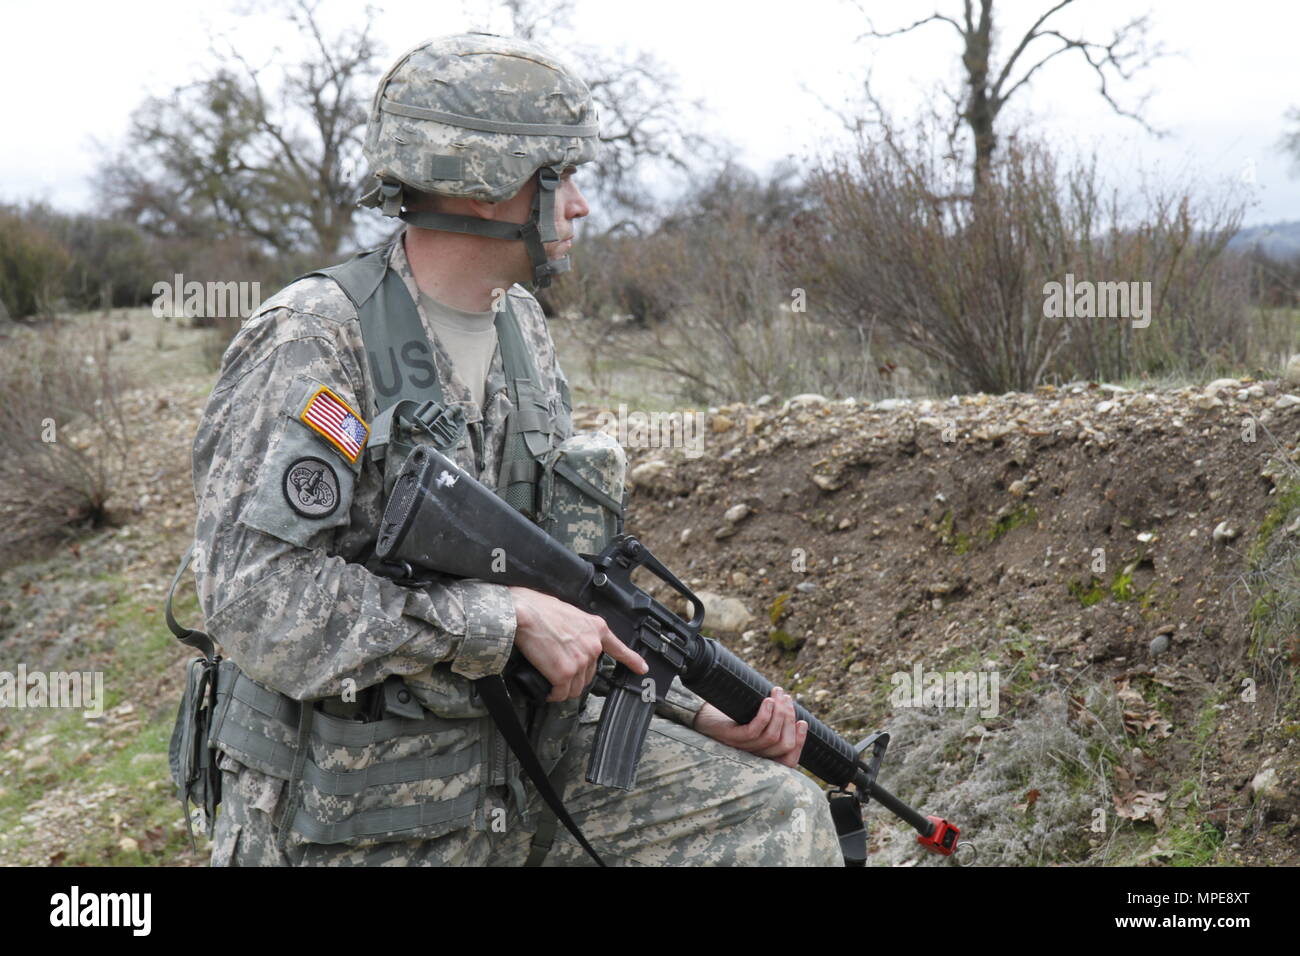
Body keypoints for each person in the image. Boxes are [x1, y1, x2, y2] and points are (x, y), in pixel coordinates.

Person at [190, 32, 842, 866]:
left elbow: (561, 596)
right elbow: (253, 602)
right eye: (560, 177)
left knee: (778, 815)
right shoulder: (315, 339)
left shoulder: (521, 327)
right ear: (491, 183)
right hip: (350, 801)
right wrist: (497, 619)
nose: (579, 205)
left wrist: (690, 710)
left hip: (516, 761)